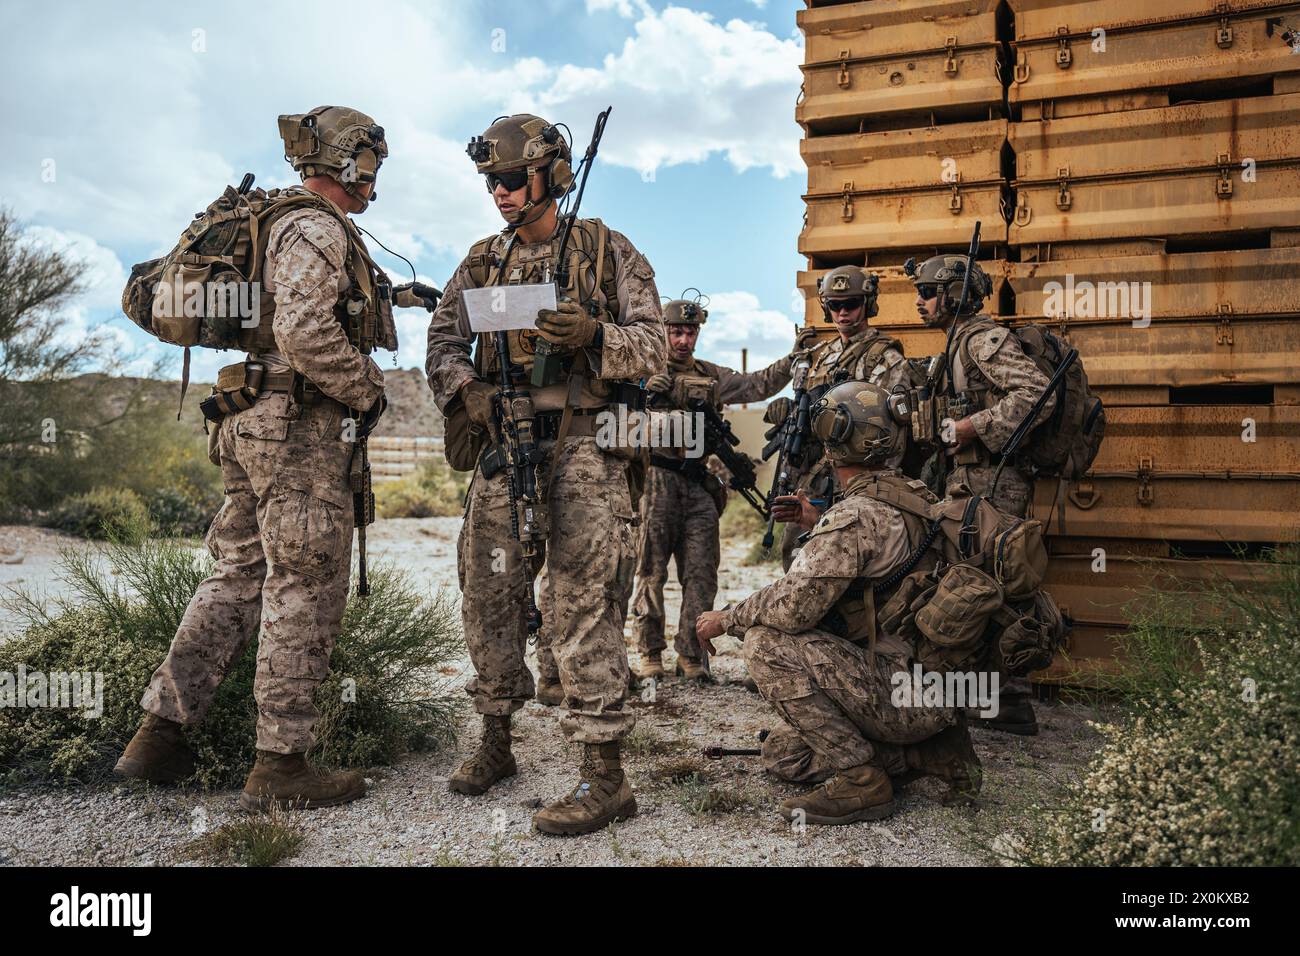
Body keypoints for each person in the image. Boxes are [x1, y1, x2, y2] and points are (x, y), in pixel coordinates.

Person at [115, 106, 396, 810]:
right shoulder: (316, 225)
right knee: (303, 583)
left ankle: (158, 739)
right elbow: (304, 330)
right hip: (296, 429)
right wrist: (367, 389)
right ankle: (281, 768)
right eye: (372, 163)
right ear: (350, 161)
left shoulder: (274, 220)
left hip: (248, 419)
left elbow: (284, 316)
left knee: (239, 573)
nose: (375, 179)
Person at [425, 113, 666, 835]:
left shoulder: (605, 251)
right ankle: (496, 739)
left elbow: (655, 348)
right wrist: (467, 390)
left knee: (583, 603)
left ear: (552, 176)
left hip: (586, 452)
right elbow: (442, 340)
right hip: (505, 449)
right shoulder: (483, 261)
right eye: (489, 182)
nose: (498, 193)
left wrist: (597, 337)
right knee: (489, 593)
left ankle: (604, 776)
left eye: (509, 179)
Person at [695, 381, 981, 825]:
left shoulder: (855, 517)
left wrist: (725, 619)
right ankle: (921, 756)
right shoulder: (918, 494)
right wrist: (818, 521)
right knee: (783, 755)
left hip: (906, 695)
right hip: (935, 690)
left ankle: (861, 780)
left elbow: (792, 608)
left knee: (764, 642)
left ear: (832, 439)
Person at [907, 255, 1056, 735]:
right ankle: (984, 695)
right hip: (968, 483)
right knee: (972, 582)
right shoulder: (954, 346)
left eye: (928, 292)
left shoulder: (982, 340)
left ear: (952, 294)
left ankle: (1011, 698)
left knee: (999, 583)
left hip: (994, 482)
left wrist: (973, 426)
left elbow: (1038, 393)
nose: (919, 300)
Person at [628, 294, 801, 682]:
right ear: (663, 331)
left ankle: (692, 655)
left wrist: (793, 359)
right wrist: (642, 393)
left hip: (699, 485)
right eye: (676, 332)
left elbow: (758, 384)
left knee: (702, 574)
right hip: (656, 480)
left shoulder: (710, 375)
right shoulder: (643, 371)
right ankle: (649, 654)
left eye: (689, 332)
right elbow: (614, 415)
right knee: (651, 573)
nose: (683, 340)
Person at [766, 265, 911, 570]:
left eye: (851, 304)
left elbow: (894, 432)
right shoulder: (819, 356)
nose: (843, 312)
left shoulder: (886, 358)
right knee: (796, 558)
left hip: (857, 482)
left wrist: (873, 492)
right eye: (834, 305)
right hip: (815, 479)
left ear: (867, 304)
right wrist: (788, 412)